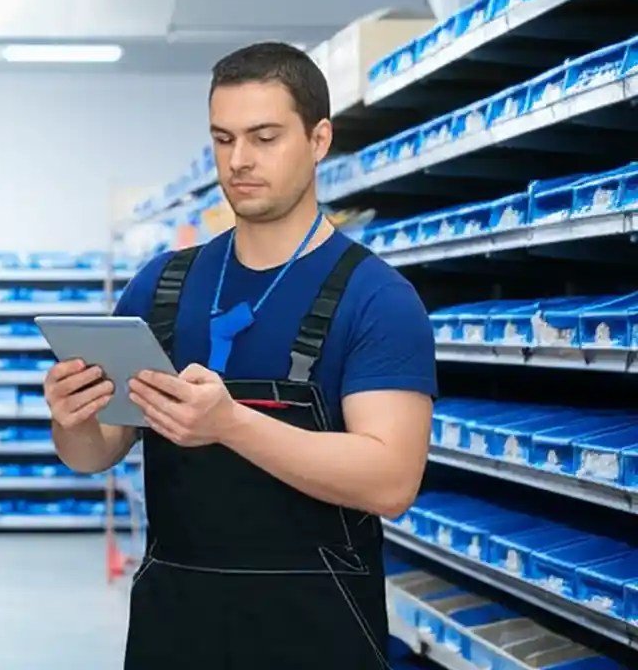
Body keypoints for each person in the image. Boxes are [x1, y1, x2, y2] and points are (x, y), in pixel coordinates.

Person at [47, 42, 436, 669]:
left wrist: (230, 424)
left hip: (315, 637)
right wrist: (72, 419)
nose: (239, 161)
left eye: (264, 137)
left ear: (319, 139)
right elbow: (95, 452)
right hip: (174, 632)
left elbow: (390, 481)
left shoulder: (376, 298)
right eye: (223, 139)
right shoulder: (161, 288)